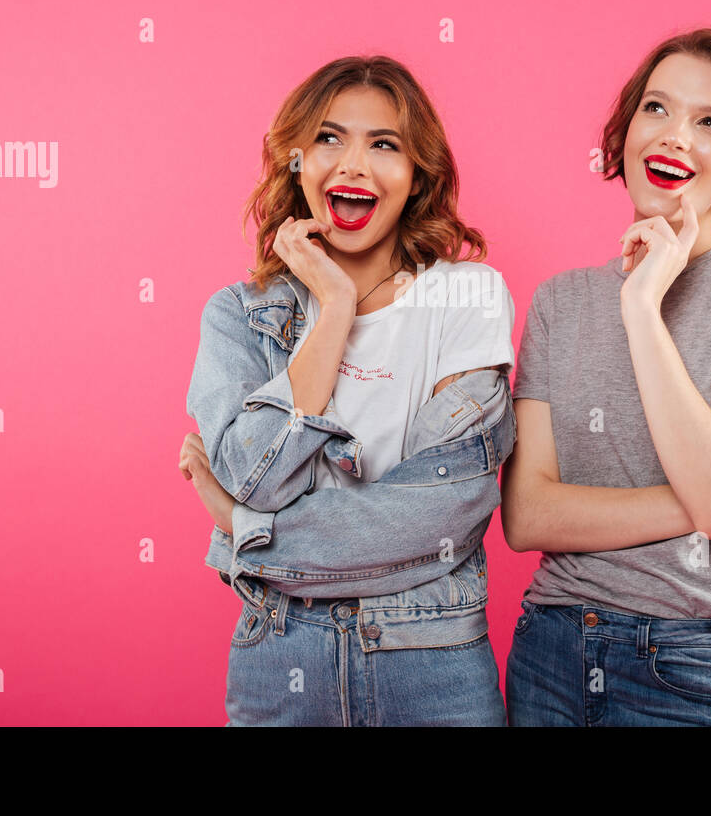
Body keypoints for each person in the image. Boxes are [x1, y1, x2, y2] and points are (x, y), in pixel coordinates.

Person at [502, 27, 711, 726]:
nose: (674, 136)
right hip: (553, 650)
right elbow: (526, 516)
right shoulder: (558, 302)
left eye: (709, 123)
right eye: (656, 109)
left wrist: (641, 306)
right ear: (624, 131)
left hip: (701, 662)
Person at [180, 56, 516, 726]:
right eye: (330, 139)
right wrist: (332, 308)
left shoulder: (467, 296)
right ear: (296, 163)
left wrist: (243, 531)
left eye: (384, 144)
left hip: (432, 654)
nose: (354, 165)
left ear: (417, 173)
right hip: (280, 654)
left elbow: (444, 512)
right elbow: (251, 474)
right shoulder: (239, 314)